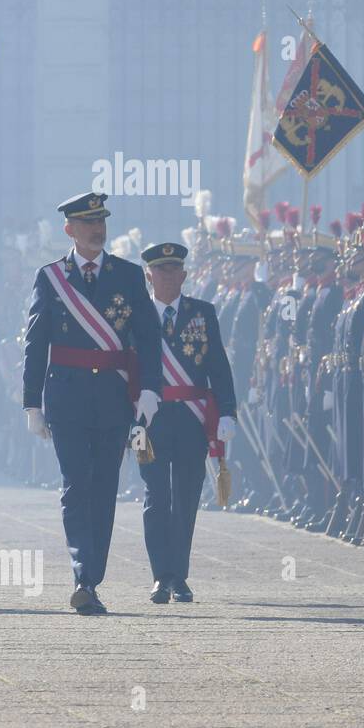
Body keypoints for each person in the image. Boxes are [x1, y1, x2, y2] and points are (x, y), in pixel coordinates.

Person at [22, 192, 162, 615]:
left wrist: (151, 391)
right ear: (70, 230)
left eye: (101, 221)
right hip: (65, 398)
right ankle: (84, 576)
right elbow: (35, 343)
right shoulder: (50, 277)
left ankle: (91, 577)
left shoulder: (128, 275)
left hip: (113, 400)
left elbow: (149, 338)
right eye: (87, 223)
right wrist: (31, 403)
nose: (97, 229)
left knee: (104, 488)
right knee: (75, 485)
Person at [138, 242, 237, 603]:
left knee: (186, 497)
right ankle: (159, 575)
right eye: (160, 270)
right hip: (148, 421)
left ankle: (179, 576)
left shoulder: (202, 312)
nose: (168, 277)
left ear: (183, 274)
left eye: (174, 270)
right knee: (155, 496)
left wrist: (227, 411)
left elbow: (219, 367)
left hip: (192, 419)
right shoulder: (137, 314)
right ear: (149, 274)